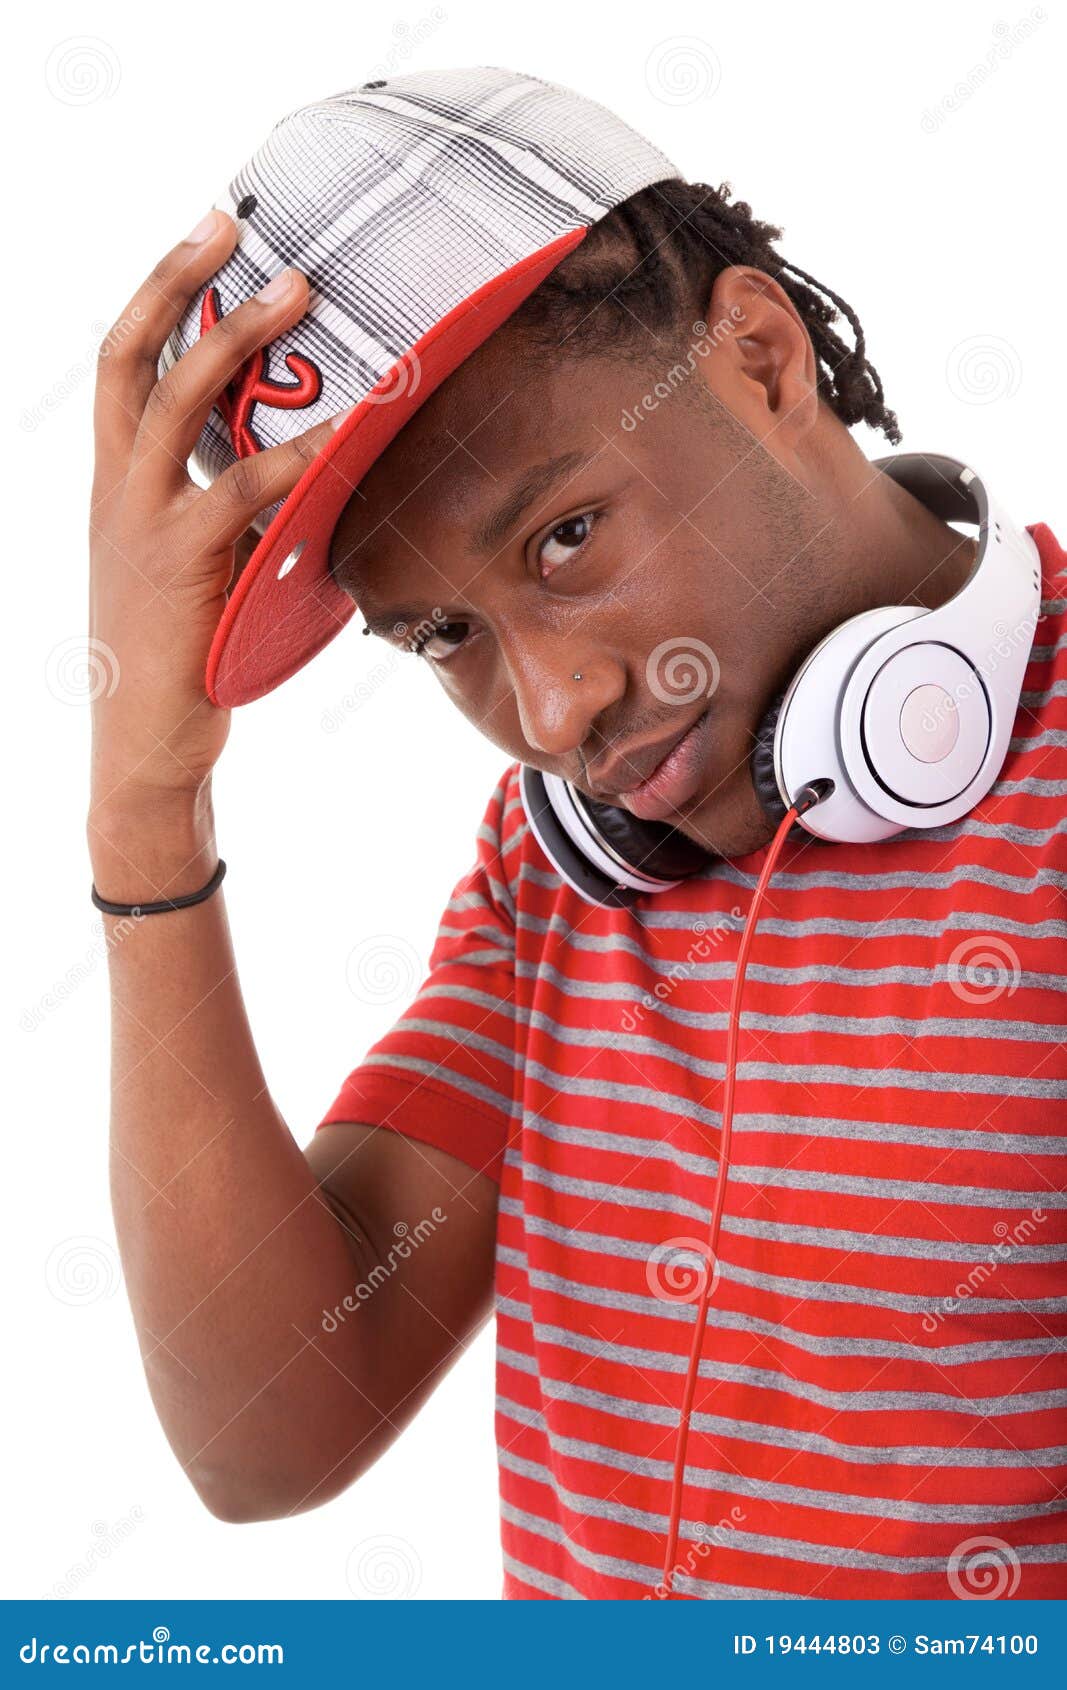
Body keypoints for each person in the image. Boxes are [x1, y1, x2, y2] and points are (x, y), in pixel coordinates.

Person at [88, 74, 1067, 1601]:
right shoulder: (554, 864)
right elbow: (269, 1435)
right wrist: (147, 805)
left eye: (565, 537)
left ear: (755, 355)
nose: (553, 711)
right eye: (444, 634)